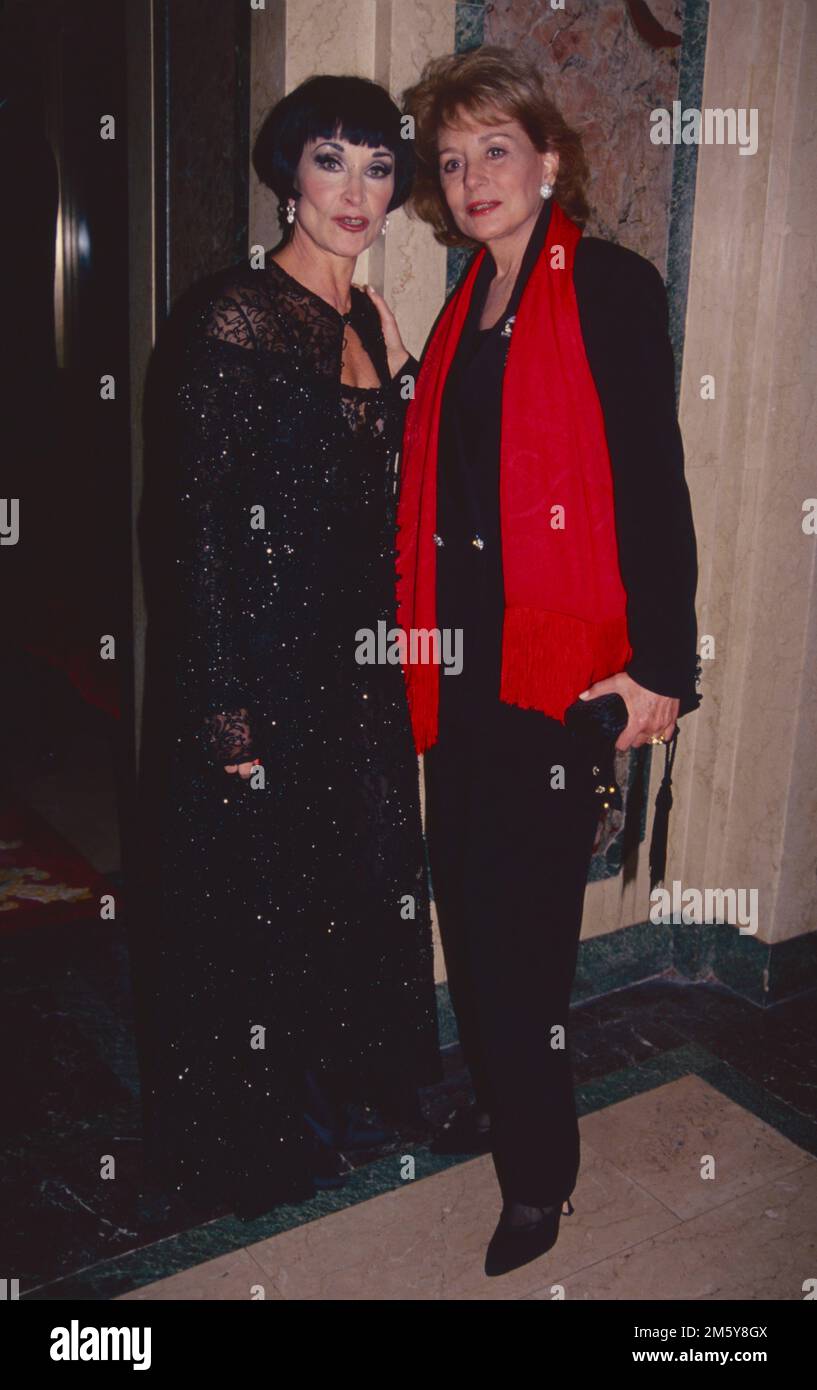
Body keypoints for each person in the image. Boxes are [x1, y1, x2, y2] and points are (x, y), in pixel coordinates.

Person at [386, 46, 700, 1276]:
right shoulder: (467, 305)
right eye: (451, 161)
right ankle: (506, 1099)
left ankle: (540, 1172)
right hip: (466, 665)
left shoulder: (608, 287)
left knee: (524, 929)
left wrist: (662, 666)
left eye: (492, 150)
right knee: (466, 895)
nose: (470, 179)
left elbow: (651, 487)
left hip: (559, 671)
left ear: (548, 156)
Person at [132, 75, 442, 1223]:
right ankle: (254, 1141)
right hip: (262, 663)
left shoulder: (367, 320)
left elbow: (389, 495)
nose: (355, 190)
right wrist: (223, 707)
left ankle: (343, 1098)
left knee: (349, 887)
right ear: (288, 174)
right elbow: (189, 532)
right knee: (252, 902)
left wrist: (403, 378)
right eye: (331, 160)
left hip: (355, 663)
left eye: (377, 166)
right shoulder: (232, 316)